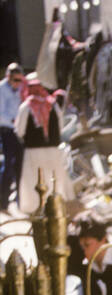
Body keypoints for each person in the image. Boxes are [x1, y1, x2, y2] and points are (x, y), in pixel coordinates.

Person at [14, 72, 73, 213]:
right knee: (54, 177)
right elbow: (60, 126)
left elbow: (19, 130)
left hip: (33, 150)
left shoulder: (26, 107)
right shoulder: (52, 104)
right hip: (53, 149)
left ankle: (36, 208)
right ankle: (56, 205)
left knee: (34, 180)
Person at [0, 62, 24, 211]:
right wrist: (13, 120)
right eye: (15, 80)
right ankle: (3, 202)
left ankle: (20, 200)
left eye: (19, 80)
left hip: (19, 131)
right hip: (7, 130)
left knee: (21, 166)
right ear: (8, 78)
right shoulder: (2, 89)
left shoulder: (20, 88)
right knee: (8, 165)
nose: (17, 83)